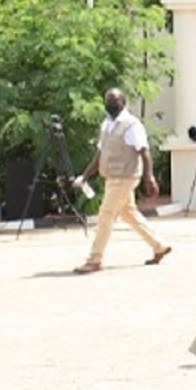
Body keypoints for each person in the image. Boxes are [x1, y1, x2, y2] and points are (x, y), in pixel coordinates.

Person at [73, 88, 172, 275]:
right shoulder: (107, 124)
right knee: (128, 213)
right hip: (111, 177)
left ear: (124, 102)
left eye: (115, 101)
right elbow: (100, 154)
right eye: (108, 101)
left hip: (125, 177)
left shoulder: (131, 124)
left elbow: (144, 151)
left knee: (106, 215)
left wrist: (149, 176)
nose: (111, 104)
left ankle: (95, 259)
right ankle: (159, 246)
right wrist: (84, 176)